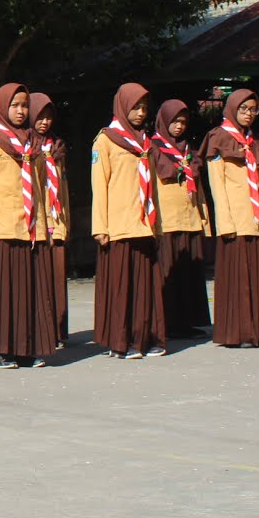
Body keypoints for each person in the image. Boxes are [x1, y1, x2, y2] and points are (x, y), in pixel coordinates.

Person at [0, 83, 56, 369]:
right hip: (3, 229)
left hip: (32, 227)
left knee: (31, 292)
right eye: (15, 106)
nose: (21, 111)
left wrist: (47, 223)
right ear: (2, 107)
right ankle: (2, 350)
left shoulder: (34, 142)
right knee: (5, 292)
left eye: (24, 106)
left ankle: (27, 349)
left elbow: (42, 186)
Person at [91, 83, 167, 359]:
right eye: (135, 107)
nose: (140, 113)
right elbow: (99, 185)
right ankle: (120, 342)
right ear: (122, 107)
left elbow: (154, 186)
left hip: (144, 224)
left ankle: (145, 338)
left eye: (144, 107)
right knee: (122, 287)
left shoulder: (146, 142)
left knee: (144, 286)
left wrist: (157, 223)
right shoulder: (106, 140)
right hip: (118, 226)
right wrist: (100, 227)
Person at [202, 89, 259, 347]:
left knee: (258, 275)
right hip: (235, 220)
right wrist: (225, 223)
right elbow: (217, 185)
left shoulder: (254, 141)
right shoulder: (218, 138)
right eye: (244, 109)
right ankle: (239, 332)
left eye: (253, 109)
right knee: (238, 278)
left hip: (256, 219)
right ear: (233, 108)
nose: (248, 114)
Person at [151, 98, 211, 339]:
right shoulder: (152, 148)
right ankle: (166, 323)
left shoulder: (188, 150)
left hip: (189, 217)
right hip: (166, 220)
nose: (179, 126)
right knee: (168, 274)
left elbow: (199, 188)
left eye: (183, 122)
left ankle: (185, 322)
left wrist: (204, 218)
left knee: (188, 274)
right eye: (174, 121)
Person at [29, 93, 70, 348]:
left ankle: (57, 330)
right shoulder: (25, 145)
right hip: (36, 218)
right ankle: (42, 330)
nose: (44, 122)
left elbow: (62, 186)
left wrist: (64, 220)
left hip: (56, 217)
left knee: (57, 274)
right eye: (39, 116)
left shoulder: (57, 147)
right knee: (41, 277)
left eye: (48, 117)